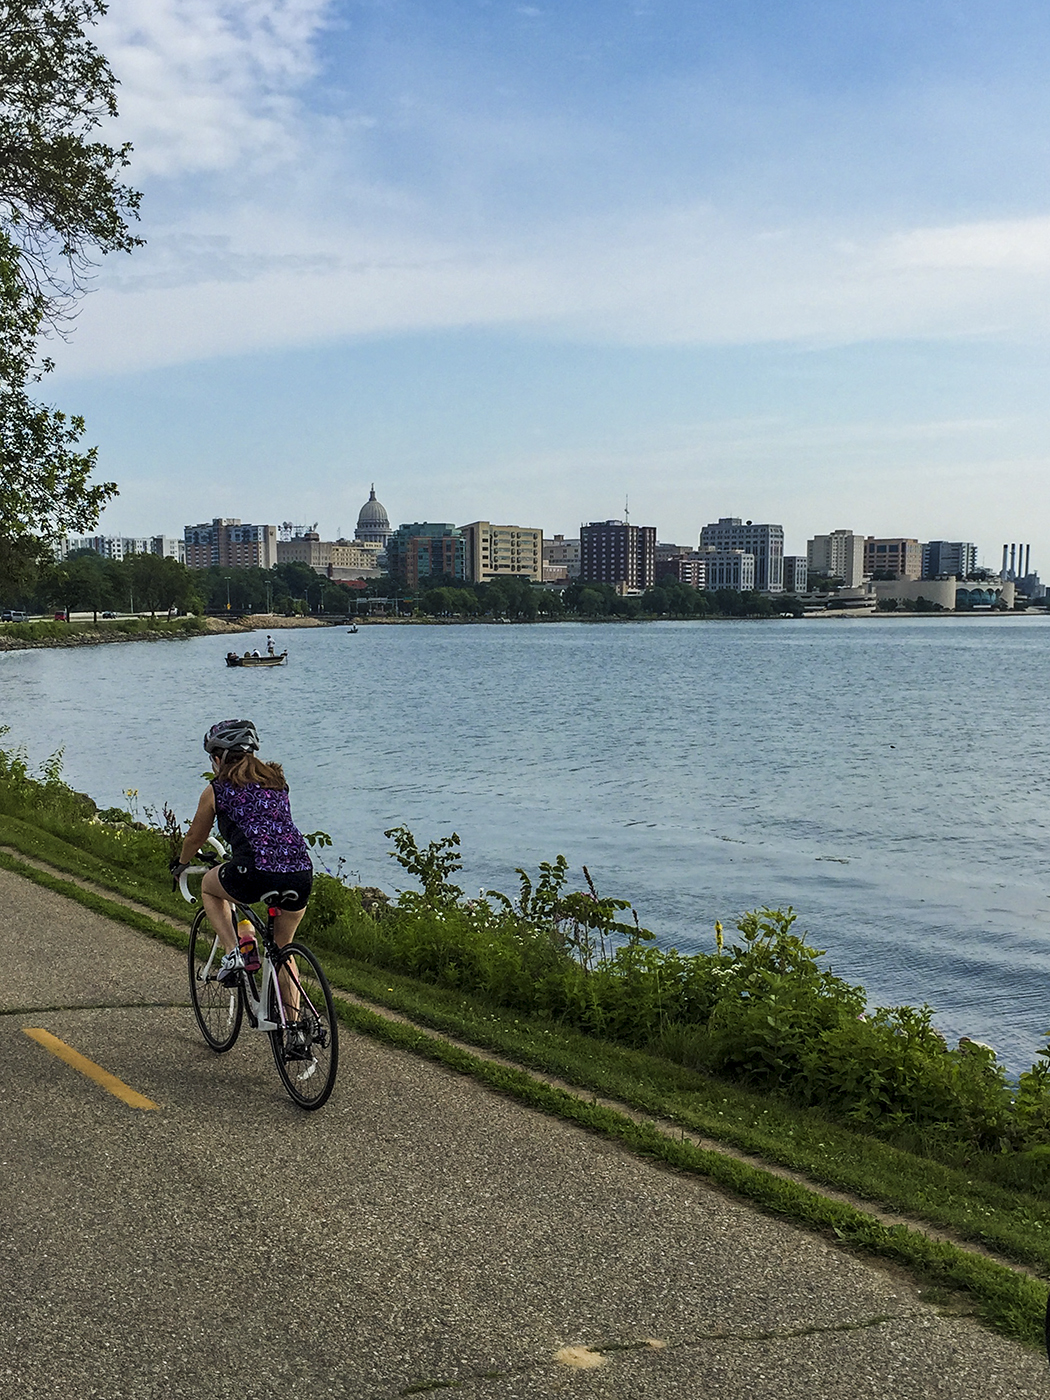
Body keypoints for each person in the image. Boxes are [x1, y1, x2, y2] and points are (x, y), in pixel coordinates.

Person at [172, 719, 314, 1056]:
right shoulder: (278, 782)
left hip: (255, 872)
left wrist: (180, 863)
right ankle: (295, 1034)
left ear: (220, 758)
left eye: (213, 758)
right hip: (299, 872)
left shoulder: (216, 791)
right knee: (282, 949)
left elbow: (196, 836)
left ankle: (234, 952)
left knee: (210, 886)